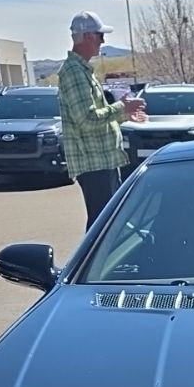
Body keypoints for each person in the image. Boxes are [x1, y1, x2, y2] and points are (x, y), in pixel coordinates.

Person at [58, 12, 146, 230]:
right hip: (94, 164)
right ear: (88, 37)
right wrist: (122, 108)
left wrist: (123, 111)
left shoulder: (81, 71)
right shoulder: (74, 72)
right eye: (100, 36)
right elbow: (86, 119)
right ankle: (93, 265)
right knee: (102, 228)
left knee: (107, 225)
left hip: (102, 162)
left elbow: (93, 114)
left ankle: (99, 263)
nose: (102, 42)